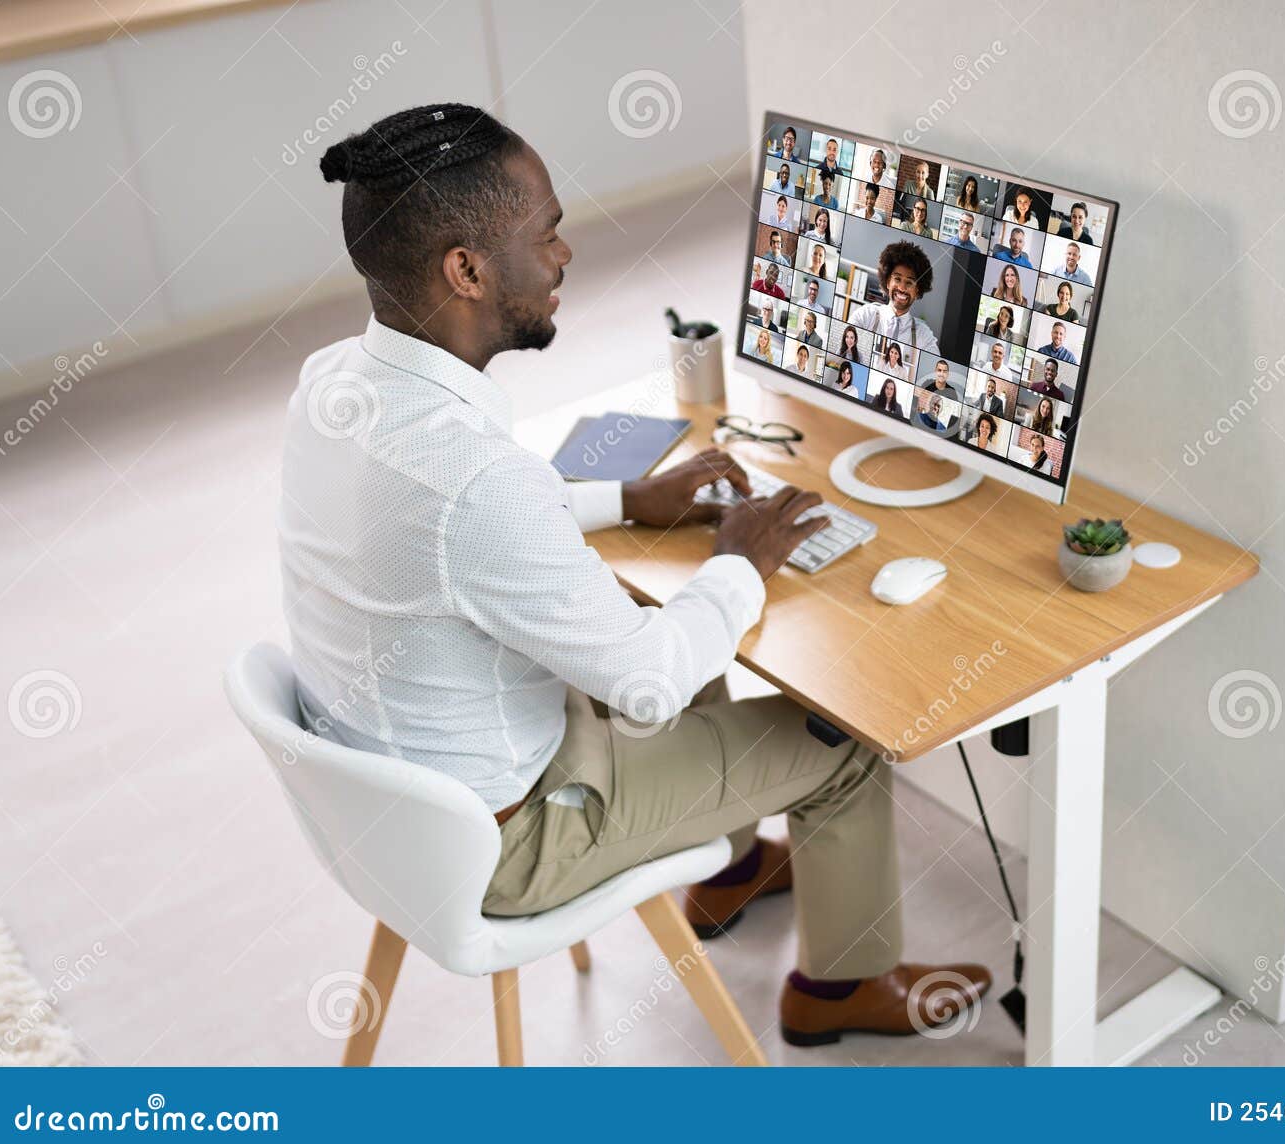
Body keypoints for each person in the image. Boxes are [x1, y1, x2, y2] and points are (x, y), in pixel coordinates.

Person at [297, 103, 987, 1045]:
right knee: (841, 739)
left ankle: (730, 867)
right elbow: (650, 684)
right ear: (465, 268)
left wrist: (627, 503)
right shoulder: (477, 480)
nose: (564, 254)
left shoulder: (334, 383)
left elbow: (442, 528)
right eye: (546, 233)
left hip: (398, 806)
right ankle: (838, 992)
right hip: (511, 840)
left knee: (662, 591)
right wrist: (740, 559)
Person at [845, 239, 941, 357]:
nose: (902, 288)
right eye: (897, 279)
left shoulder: (924, 335)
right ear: (888, 282)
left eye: (909, 282)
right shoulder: (865, 315)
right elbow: (845, 351)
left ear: (917, 290)